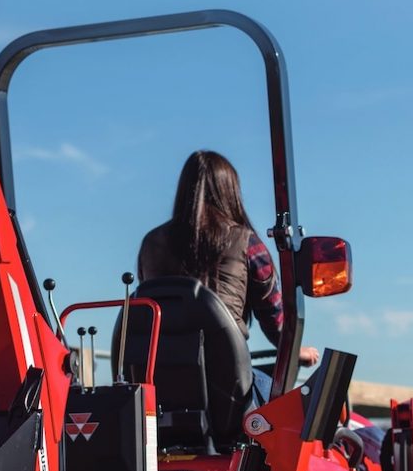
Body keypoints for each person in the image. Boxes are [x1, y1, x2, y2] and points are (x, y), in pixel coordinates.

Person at [137, 150, 319, 403]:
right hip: (226, 387)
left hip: (159, 386)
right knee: (302, 406)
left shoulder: (150, 244)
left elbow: (146, 309)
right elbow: (276, 321)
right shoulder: (246, 242)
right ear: (230, 191)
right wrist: (297, 351)